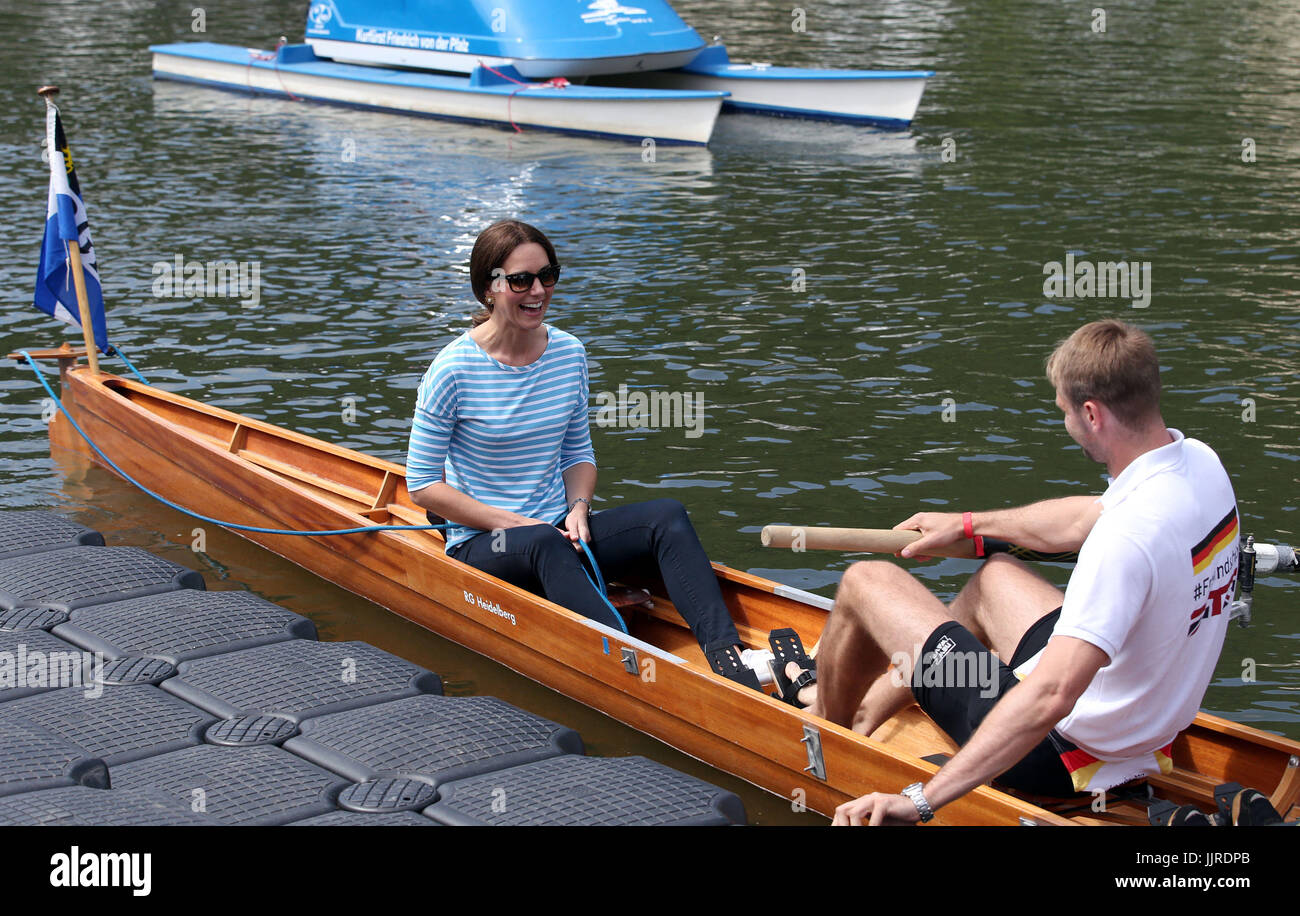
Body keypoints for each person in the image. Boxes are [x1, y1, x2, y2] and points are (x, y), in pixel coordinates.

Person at [796, 319, 1240, 825]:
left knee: (864, 582)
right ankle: (871, 708)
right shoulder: (1200, 464)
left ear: (1092, 413)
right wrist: (968, 524)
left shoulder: (1126, 540)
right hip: (1143, 726)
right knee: (995, 576)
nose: (1066, 424)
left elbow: (1051, 695)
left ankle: (825, 734)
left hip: (1054, 756)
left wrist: (918, 802)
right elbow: (1079, 519)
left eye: (1065, 412)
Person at [405, 219, 764, 687]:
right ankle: (635, 670)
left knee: (666, 516)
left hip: (558, 532)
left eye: (547, 275)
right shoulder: (451, 370)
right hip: (485, 542)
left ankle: (729, 656)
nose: (538, 290)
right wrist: (515, 524)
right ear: (489, 288)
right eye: (521, 280)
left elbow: (578, 452)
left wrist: (578, 507)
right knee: (544, 542)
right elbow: (423, 486)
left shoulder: (569, 353)